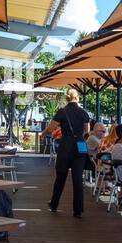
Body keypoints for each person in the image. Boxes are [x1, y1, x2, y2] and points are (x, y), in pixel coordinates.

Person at [45, 88, 91, 217]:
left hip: (66, 146)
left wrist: (44, 133)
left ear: (67, 98)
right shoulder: (83, 113)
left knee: (61, 177)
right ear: (77, 98)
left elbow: (51, 128)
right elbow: (87, 131)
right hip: (80, 146)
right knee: (78, 179)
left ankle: (54, 204)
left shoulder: (62, 111)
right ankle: (78, 210)